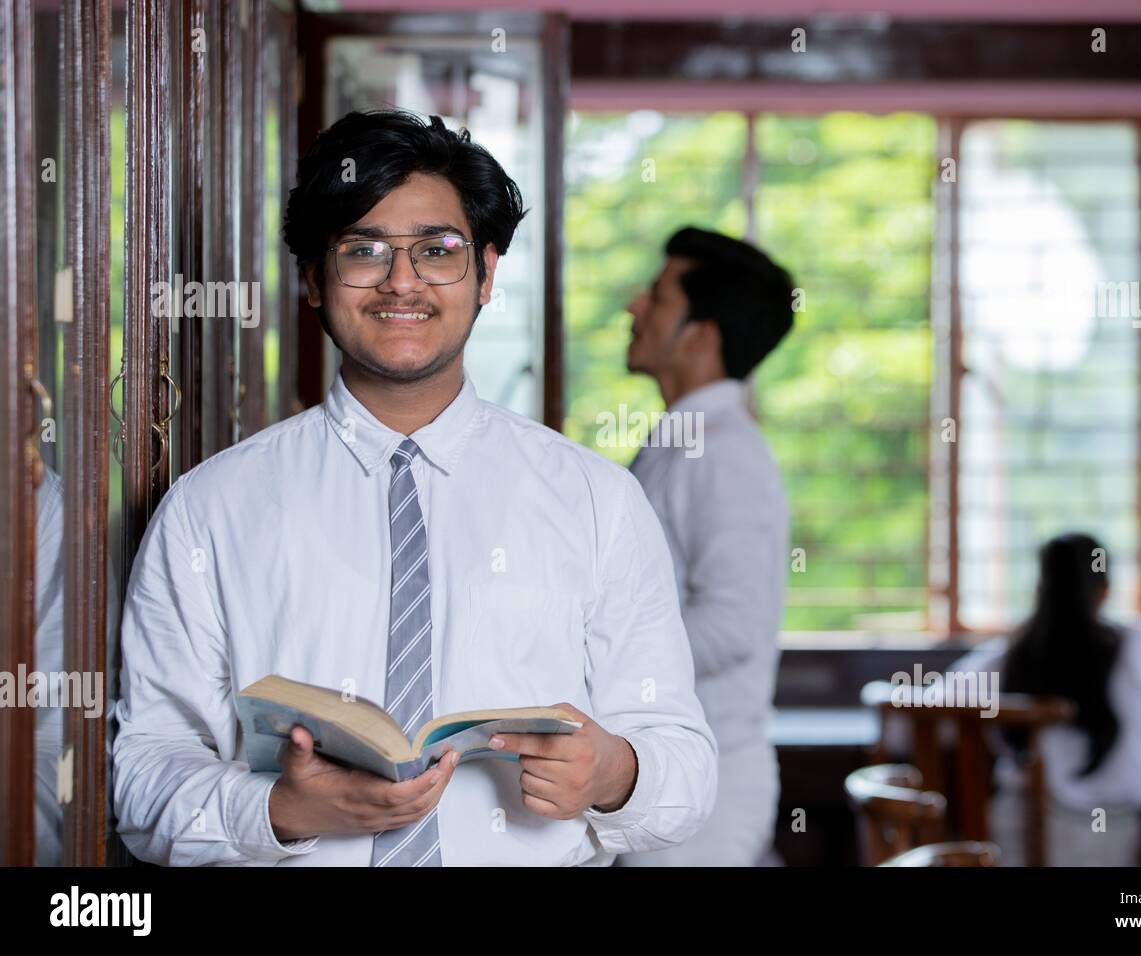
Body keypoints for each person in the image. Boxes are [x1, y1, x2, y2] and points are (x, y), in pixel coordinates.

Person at [112, 110, 717, 866]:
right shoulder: (208, 511)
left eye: (438, 250)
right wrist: (275, 809)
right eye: (363, 250)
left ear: (487, 274)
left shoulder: (596, 500)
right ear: (311, 277)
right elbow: (141, 776)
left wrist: (614, 772)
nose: (402, 281)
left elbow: (685, 769)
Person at [616, 227, 794, 866]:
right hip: (661, 772)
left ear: (701, 334)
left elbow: (734, 624)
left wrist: (593, 646)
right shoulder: (682, 439)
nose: (634, 307)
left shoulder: (725, 453)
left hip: (703, 789)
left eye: (658, 298)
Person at [950, 533, 1141, 866]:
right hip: (1103, 834)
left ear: (1040, 589)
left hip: (1011, 827)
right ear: (1105, 590)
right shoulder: (1140, 644)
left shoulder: (1007, 652)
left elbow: (926, 708)